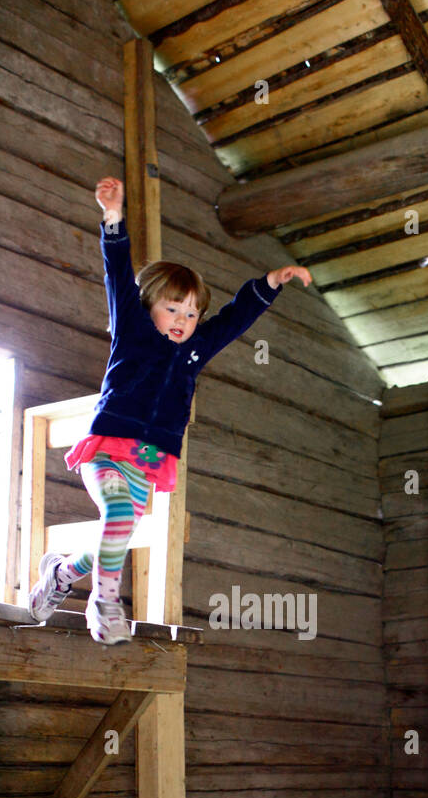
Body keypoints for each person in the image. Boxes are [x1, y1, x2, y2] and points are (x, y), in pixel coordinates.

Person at [29, 176, 312, 643]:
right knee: (118, 513)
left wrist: (270, 284)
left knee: (113, 530)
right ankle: (102, 605)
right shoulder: (133, 329)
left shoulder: (197, 349)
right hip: (109, 448)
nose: (182, 321)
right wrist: (113, 218)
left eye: (191, 313)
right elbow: (117, 272)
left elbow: (236, 318)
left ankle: (60, 573)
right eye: (172, 309)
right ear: (148, 306)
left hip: (152, 460)